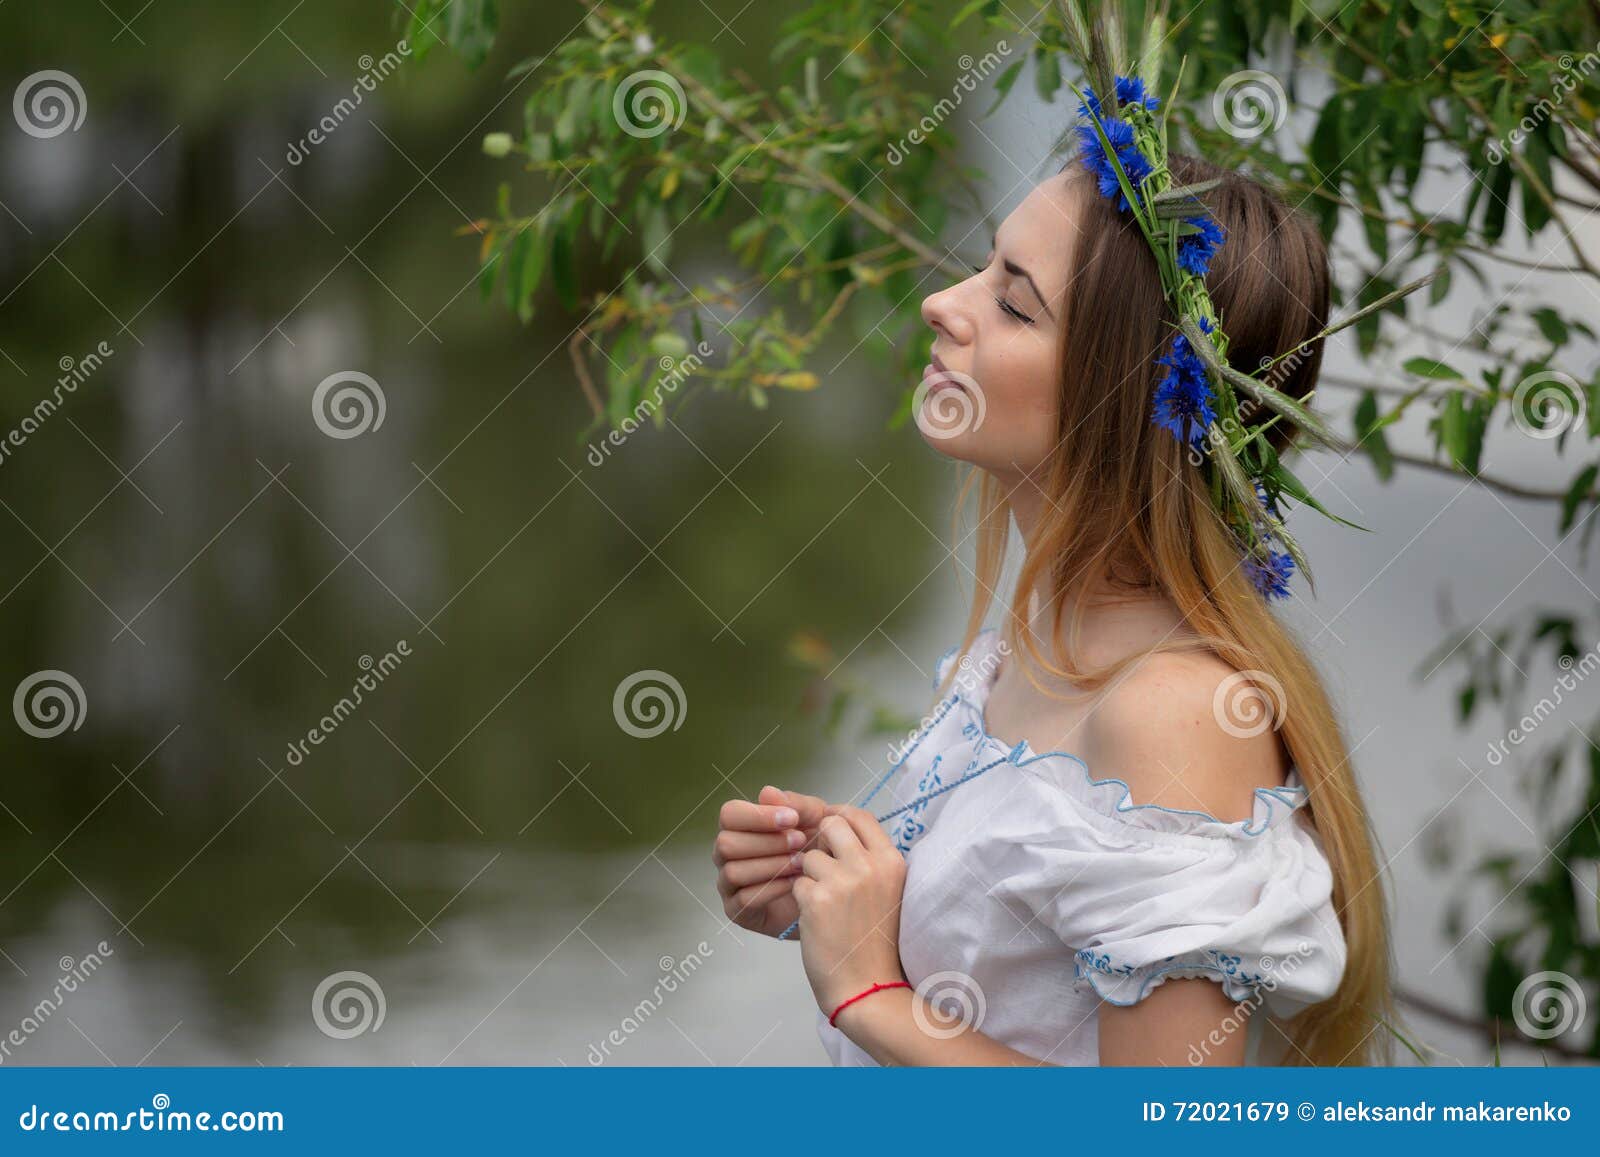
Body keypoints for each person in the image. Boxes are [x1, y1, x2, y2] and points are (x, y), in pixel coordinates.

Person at [713, 99, 1395, 1066]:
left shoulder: (1176, 716)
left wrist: (870, 992)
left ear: (1120, 394)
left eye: (1013, 301)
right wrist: (841, 895)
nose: (943, 304)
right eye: (988, 266)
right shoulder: (1020, 653)